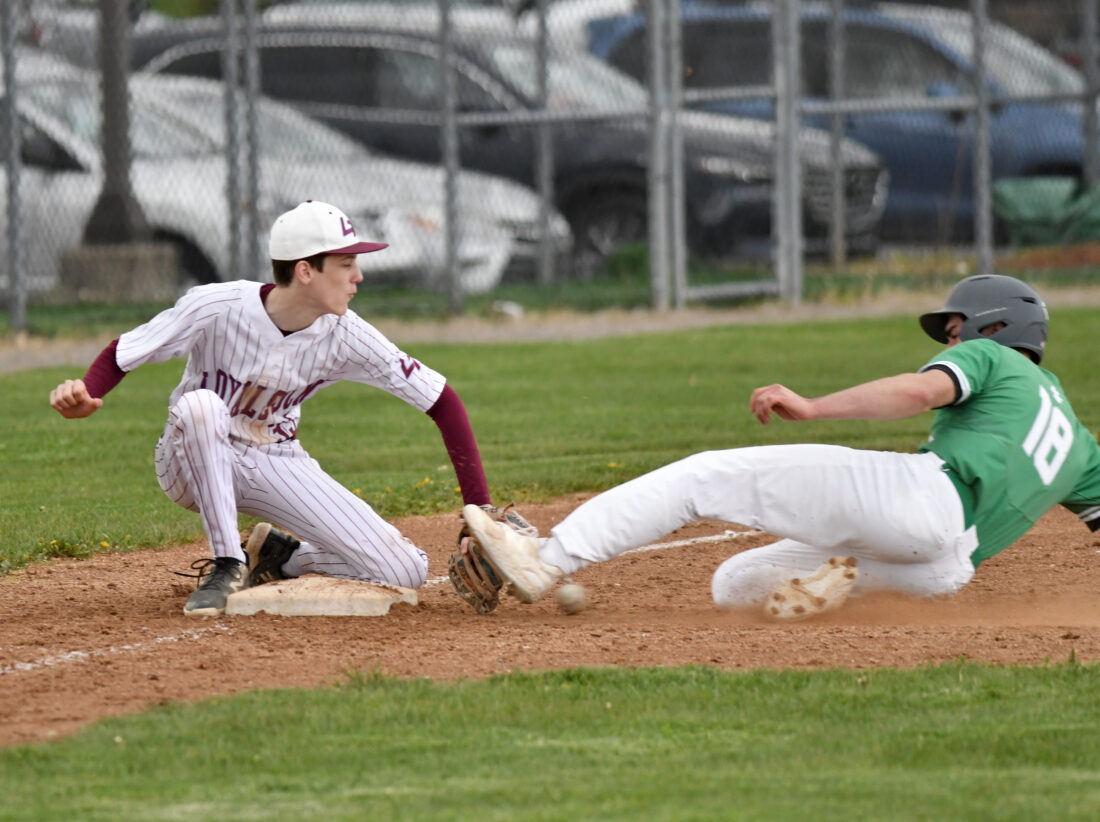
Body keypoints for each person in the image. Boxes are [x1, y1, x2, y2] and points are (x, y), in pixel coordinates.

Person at [460, 274, 1100, 621]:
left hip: (925, 499)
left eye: (958, 329)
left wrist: (816, 406)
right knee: (737, 584)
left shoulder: (990, 359)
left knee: (703, 477)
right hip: (945, 570)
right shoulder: (1080, 444)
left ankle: (546, 559)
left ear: (995, 329)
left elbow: (915, 391)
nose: (952, 340)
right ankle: (838, 581)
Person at [50, 201, 496, 617]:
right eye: (345, 264)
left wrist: (479, 511)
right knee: (202, 407)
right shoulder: (217, 306)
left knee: (403, 569)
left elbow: (443, 402)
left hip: (275, 458)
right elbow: (124, 351)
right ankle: (226, 564)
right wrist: (87, 391)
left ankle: (279, 557)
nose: (357, 276)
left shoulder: (346, 334)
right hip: (189, 458)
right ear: (305, 270)